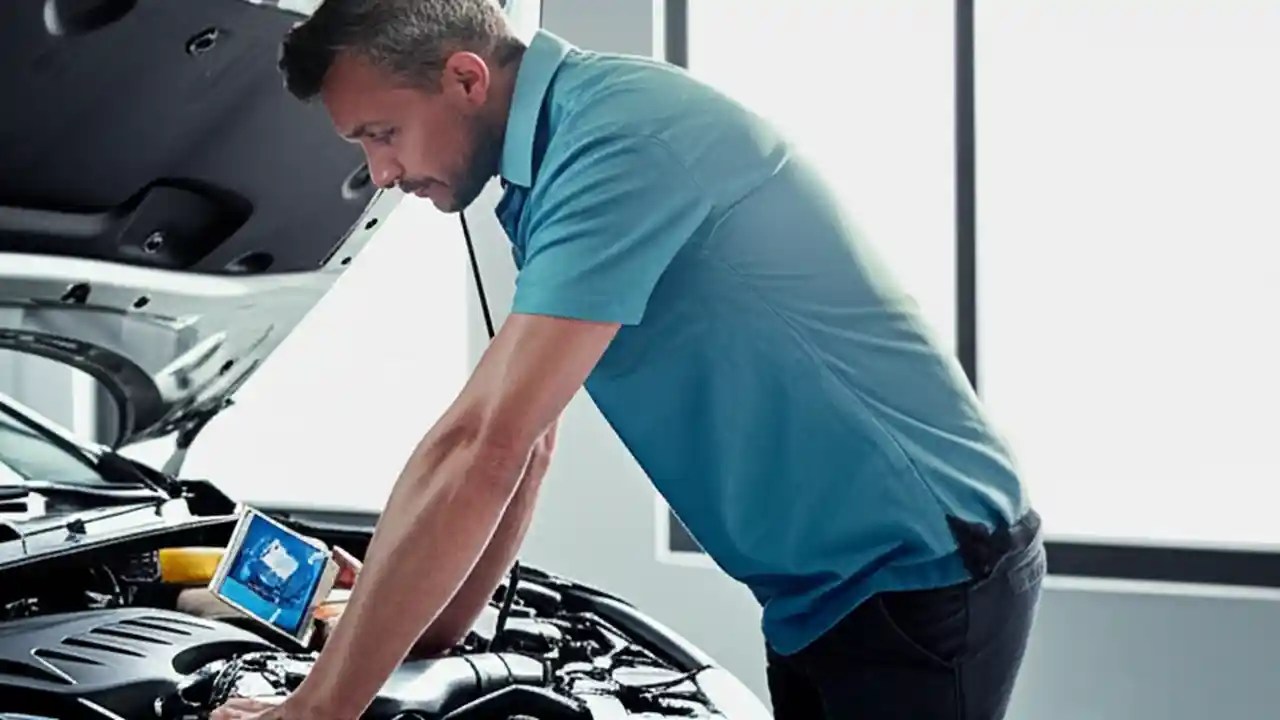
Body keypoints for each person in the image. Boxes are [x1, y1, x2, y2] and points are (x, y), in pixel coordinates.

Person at [211, 1, 1045, 718]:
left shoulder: (620, 138)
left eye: (382, 134)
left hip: (917, 570)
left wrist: (319, 708)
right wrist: (432, 630)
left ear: (465, 79)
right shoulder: (558, 158)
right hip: (818, 591)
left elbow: (483, 444)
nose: (381, 173)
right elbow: (527, 437)